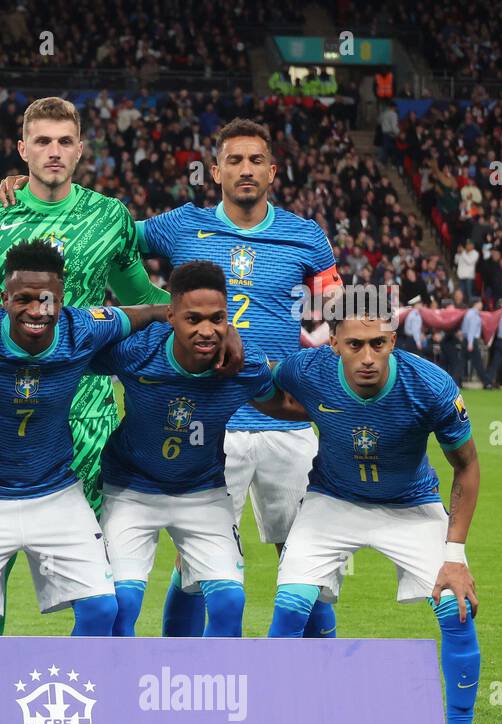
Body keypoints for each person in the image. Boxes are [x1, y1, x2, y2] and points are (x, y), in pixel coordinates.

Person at [0, 96, 169, 637]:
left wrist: (205, 319)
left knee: (99, 584)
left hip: (88, 418)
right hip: (0, 414)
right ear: (22, 149)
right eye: (42, 141)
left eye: (63, 142)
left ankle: (95, 696)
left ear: (81, 149)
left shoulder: (110, 218)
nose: (53, 152)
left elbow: (141, 299)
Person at [132, 118, 344, 639]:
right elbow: (110, 236)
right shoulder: (182, 225)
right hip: (206, 421)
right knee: (195, 570)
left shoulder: (306, 236)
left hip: (284, 419)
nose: (245, 170)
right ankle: (179, 679)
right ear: (216, 170)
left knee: (304, 564)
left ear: (272, 171)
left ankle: (317, 687)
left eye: (255, 161)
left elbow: (337, 314)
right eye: (234, 160)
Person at [266, 311, 493, 724]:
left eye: (378, 344)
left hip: (411, 506)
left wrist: (454, 556)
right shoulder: (307, 370)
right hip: (333, 500)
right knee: (290, 606)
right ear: (333, 344)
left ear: (393, 340)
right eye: (354, 345)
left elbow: (467, 466)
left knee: (456, 608)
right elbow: (261, 383)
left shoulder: (429, 385)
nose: (367, 357)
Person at [92, 261, 309, 636]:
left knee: (229, 602)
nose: (206, 330)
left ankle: (205, 687)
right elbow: (68, 348)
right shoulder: (136, 351)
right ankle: (117, 689)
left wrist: (346, 411)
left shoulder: (242, 364)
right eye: (193, 319)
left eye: (217, 319)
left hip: (203, 493)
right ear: (171, 316)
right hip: (131, 491)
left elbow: (279, 403)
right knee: (121, 602)